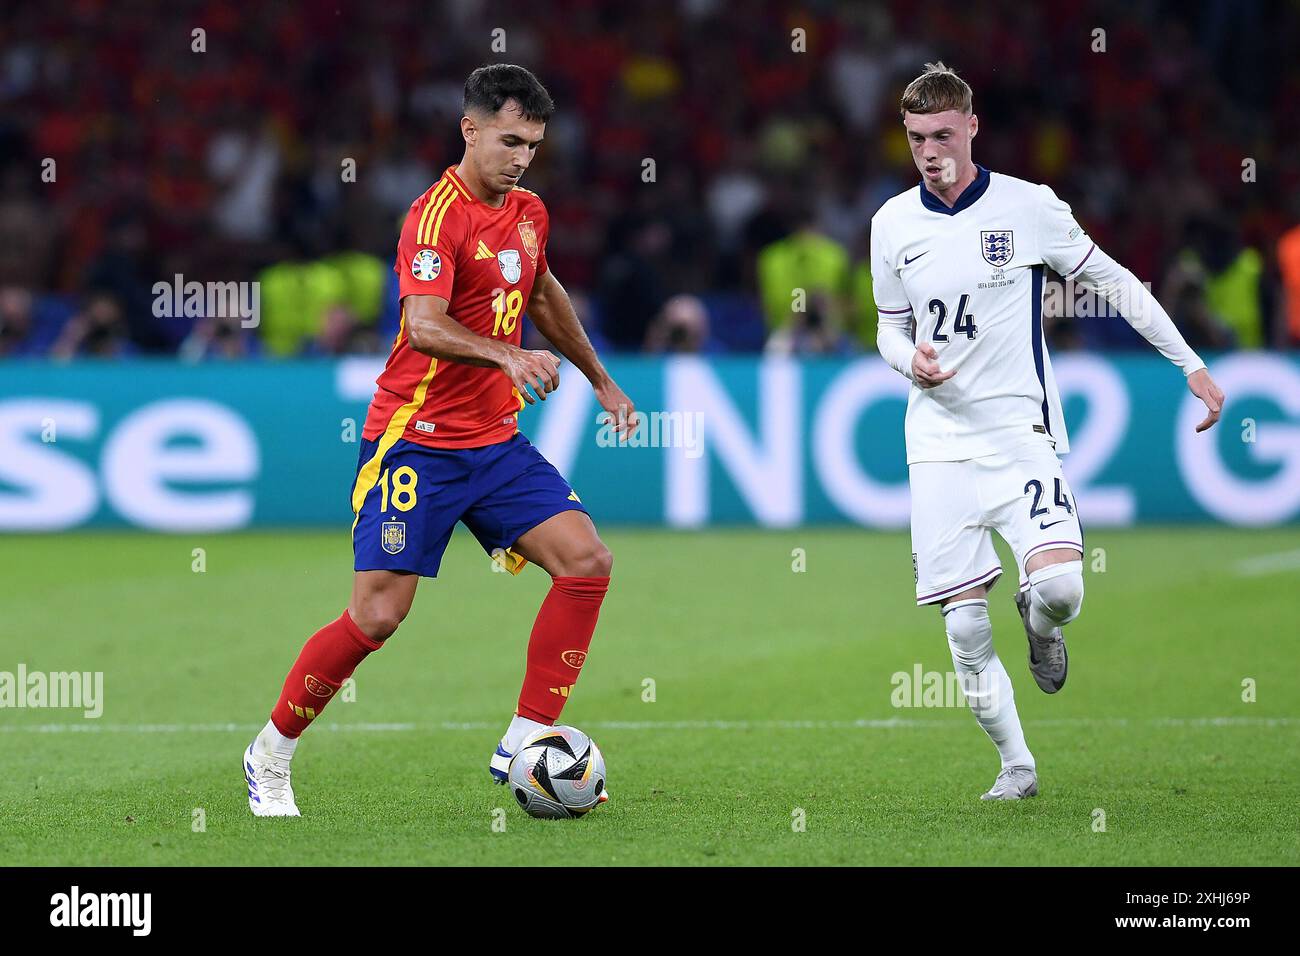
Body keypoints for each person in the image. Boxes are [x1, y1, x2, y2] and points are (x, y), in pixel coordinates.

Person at [244, 64, 636, 816]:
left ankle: (527, 736)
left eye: (534, 145)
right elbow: (422, 324)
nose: (522, 158)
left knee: (586, 562)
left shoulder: (527, 212)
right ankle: (270, 754)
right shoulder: (435, 216)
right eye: (510, 140)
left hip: (492, 442)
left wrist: (600, 378)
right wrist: (508, 354)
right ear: (471, 129)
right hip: (413, 444)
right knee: (377, 617)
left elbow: (541, 291)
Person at [871, 63, 1225, 800]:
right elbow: (888, 326)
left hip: (1017, 434)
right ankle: (1017, 765)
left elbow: (1115, 282)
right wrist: (911, 361)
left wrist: (1189, 363)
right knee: (965, 632)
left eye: (942, 135)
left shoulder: (1029, 207)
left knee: (1063, 588)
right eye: (915, 139)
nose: (930, 152)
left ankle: (1039, 619)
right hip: (937, 444)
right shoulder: (891, 224)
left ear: (972, 126)